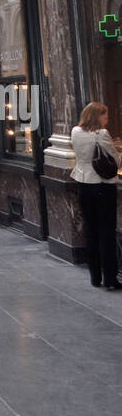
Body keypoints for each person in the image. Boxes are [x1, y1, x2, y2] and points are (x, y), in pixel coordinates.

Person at [71, 101, 120, 290]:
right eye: (105, 116)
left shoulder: (76, 131)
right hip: (102, 185)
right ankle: (110, 280)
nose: (107, 120)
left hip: (83, 184)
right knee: (106, 233)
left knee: (91, 232)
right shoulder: (101, 134)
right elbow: (115, 159)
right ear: (97, 116)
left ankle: (95, 277)